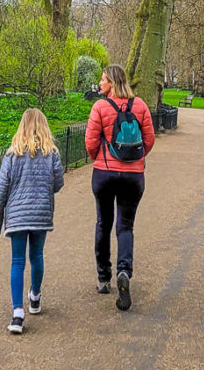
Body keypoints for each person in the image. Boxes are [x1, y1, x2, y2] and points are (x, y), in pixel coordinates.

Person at [0, 108, 65, 334]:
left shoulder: (12, 155)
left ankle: (18, 313)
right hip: (40, 213)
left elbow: (0, 193)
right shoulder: (52, 153)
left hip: (18, 216)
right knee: (37, 255)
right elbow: (58, 183)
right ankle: (35, 296)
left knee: (17, 261)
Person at [85, 64, 155, 311]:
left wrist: (101, 158)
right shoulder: (141, 106)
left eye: (103, 79)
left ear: (112, 83)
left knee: (103, 223)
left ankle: (104, 278)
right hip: (133, 176)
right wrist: (134, 159)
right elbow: (149, 140)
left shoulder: (101, 107)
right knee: (125, 225)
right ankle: (124, 271)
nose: (100, 83)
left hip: (104, 173)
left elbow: (91, 141)